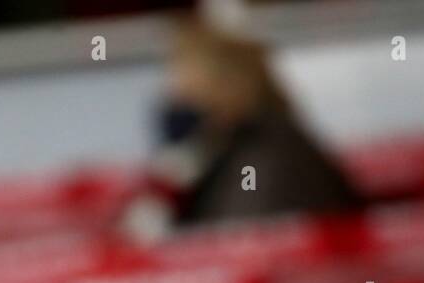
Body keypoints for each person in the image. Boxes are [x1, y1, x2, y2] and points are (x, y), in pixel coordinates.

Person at [123, 19, 361, 237]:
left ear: (226, 95)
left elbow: (239, 249)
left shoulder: (267, 163)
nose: (174, 107)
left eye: (186, 96)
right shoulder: (226, 157)